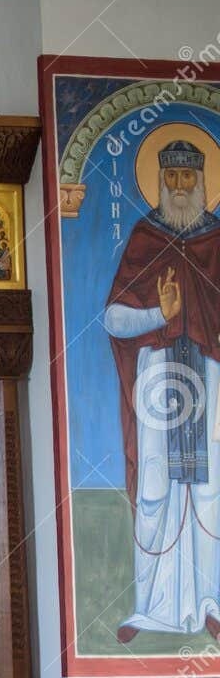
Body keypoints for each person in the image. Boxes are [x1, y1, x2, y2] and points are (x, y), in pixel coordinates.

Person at [105, 138, 220, 643]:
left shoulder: (216, 240)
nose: (179, 186)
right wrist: (162, 315)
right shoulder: (145, 238)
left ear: (201, 181)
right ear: (158, 179)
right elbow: (112, 317)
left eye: (187, 176)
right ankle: (149, 608)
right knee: (155, 490)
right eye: (170, 176)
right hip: (158, 383)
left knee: (210, 490)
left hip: (210, 381)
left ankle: (211, 603)